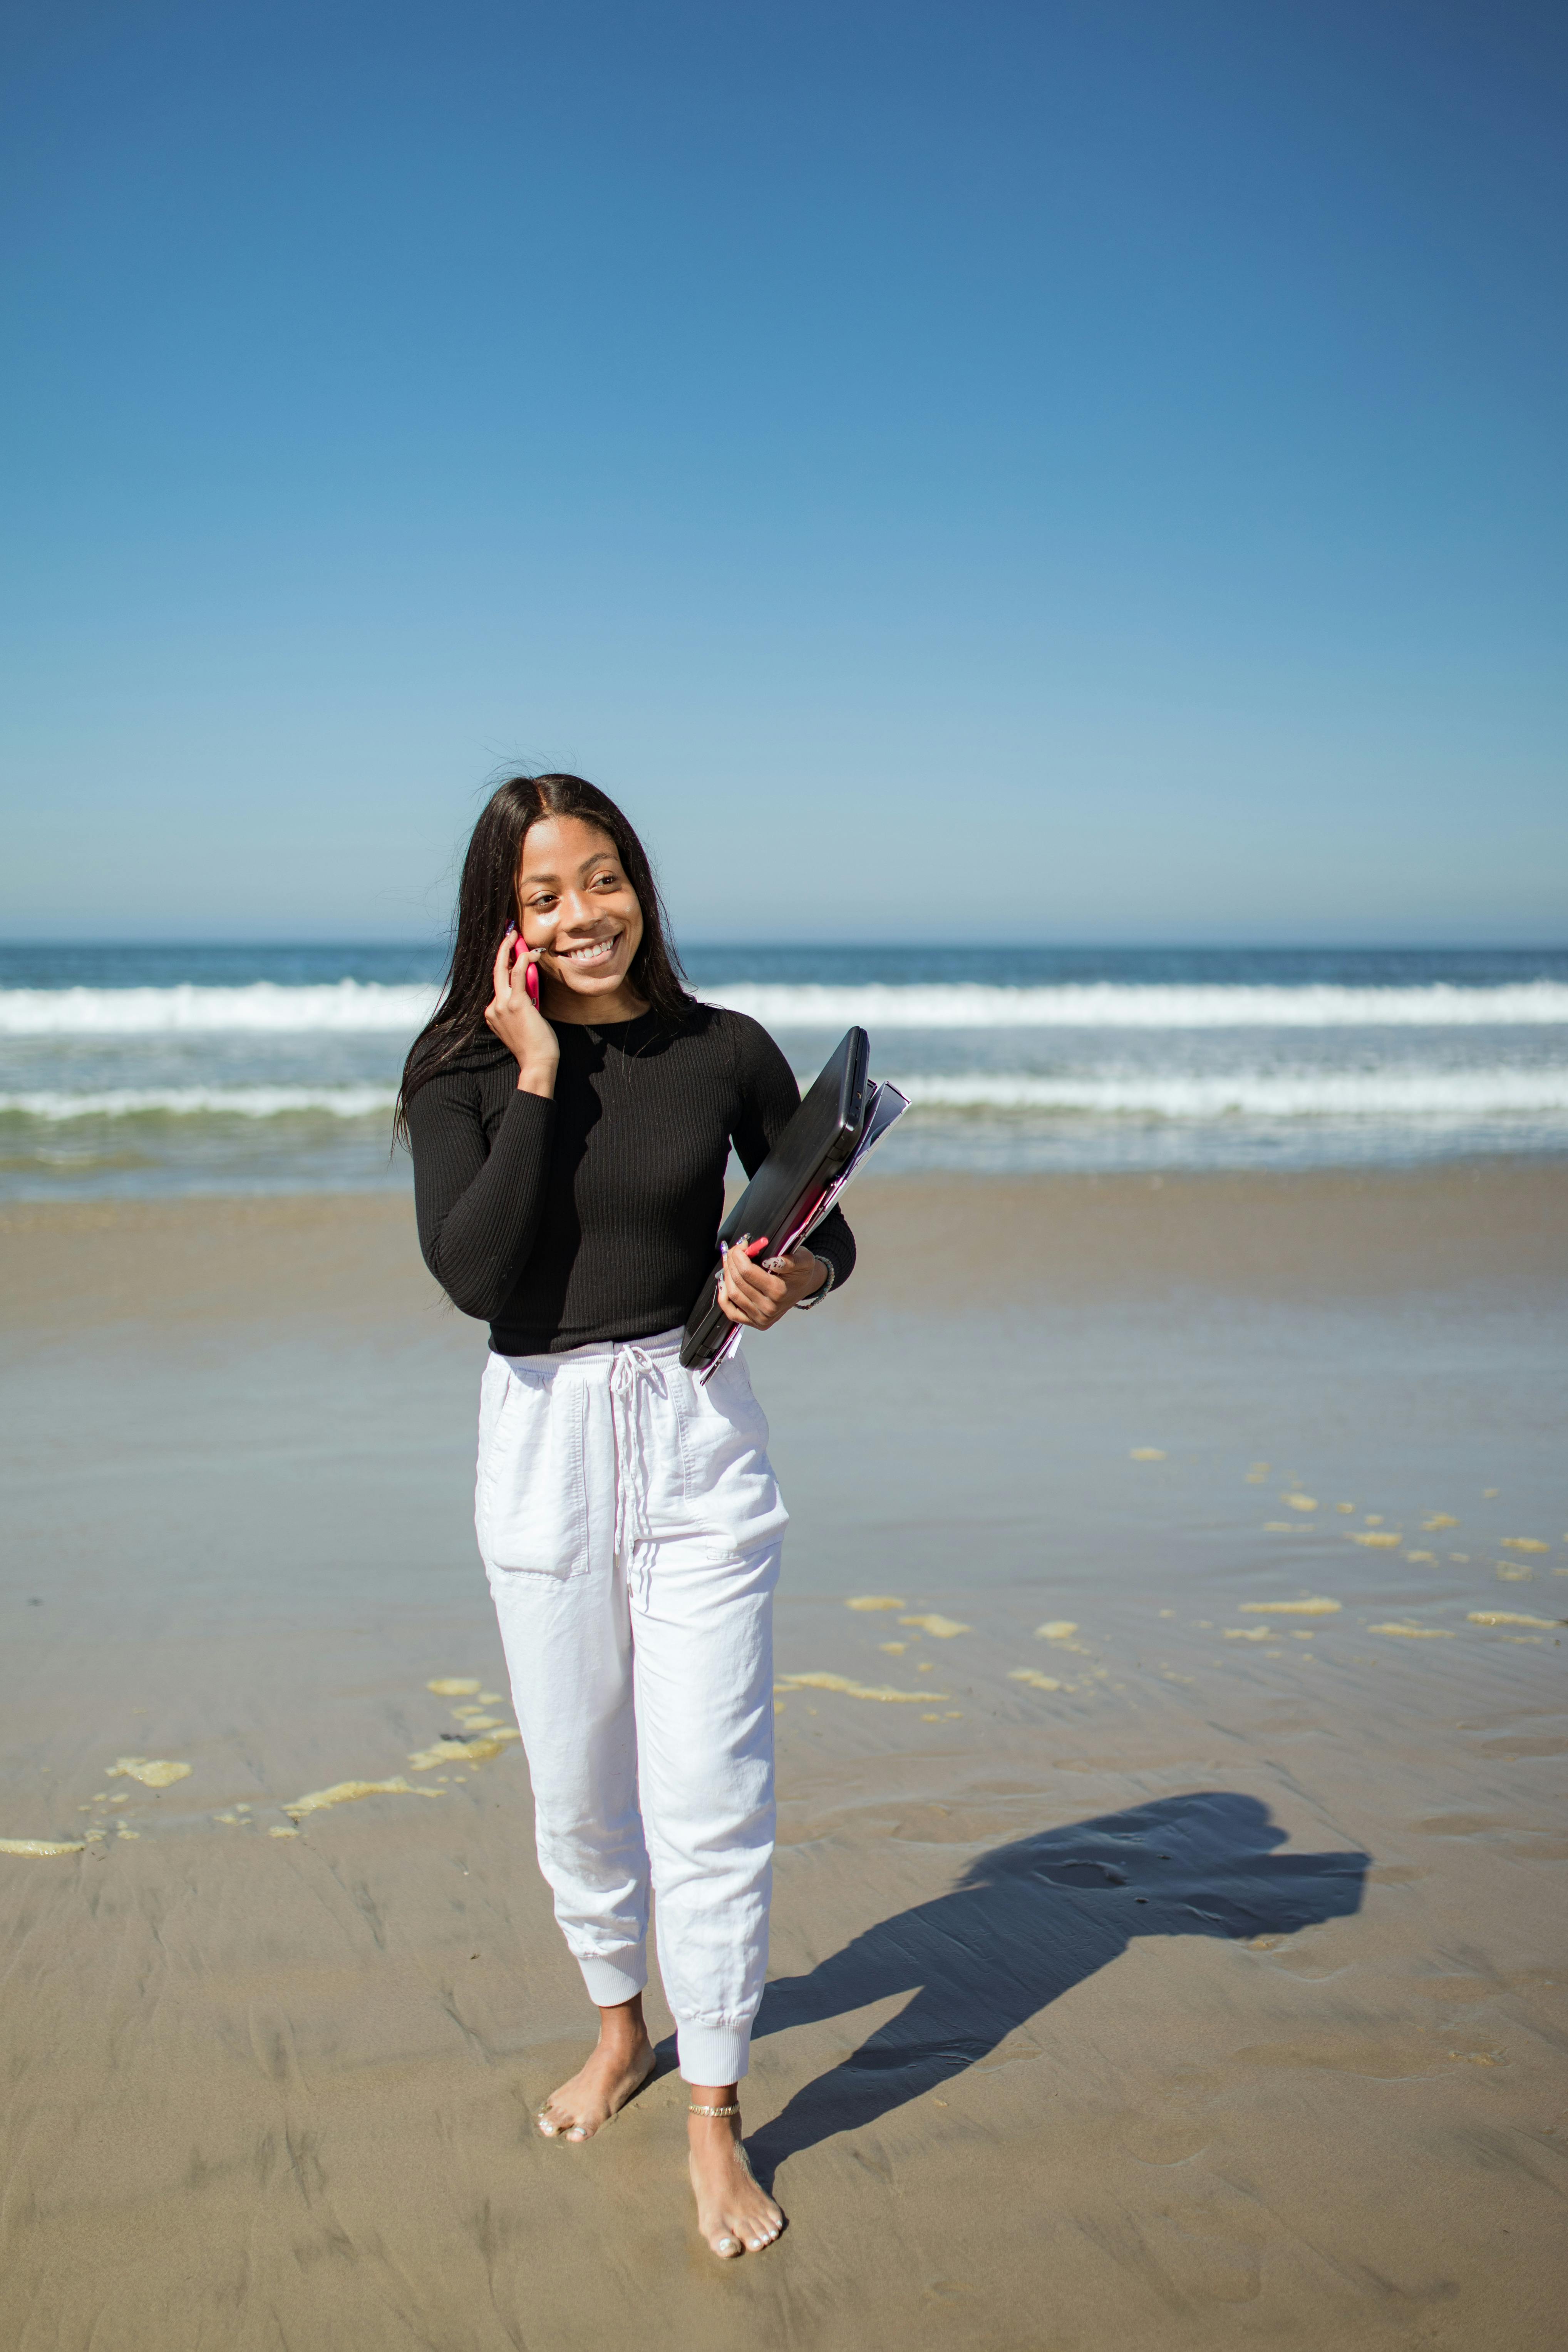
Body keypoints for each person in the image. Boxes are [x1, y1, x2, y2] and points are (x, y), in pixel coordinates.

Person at [396, 772, 855, 2259]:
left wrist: (788, 1279)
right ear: (506, 921)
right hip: (536, 1437)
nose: (584, 913)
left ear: (638, 882)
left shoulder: (723, 1050)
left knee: (711, 1792)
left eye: (603, 878)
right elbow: (475, 1272)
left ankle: (714, 2111)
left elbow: (823, 1221)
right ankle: (619, 2029)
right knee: (580, 1781)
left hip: (696, 1424)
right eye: (545, 895)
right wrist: (533, 1070)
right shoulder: (459, 1072)